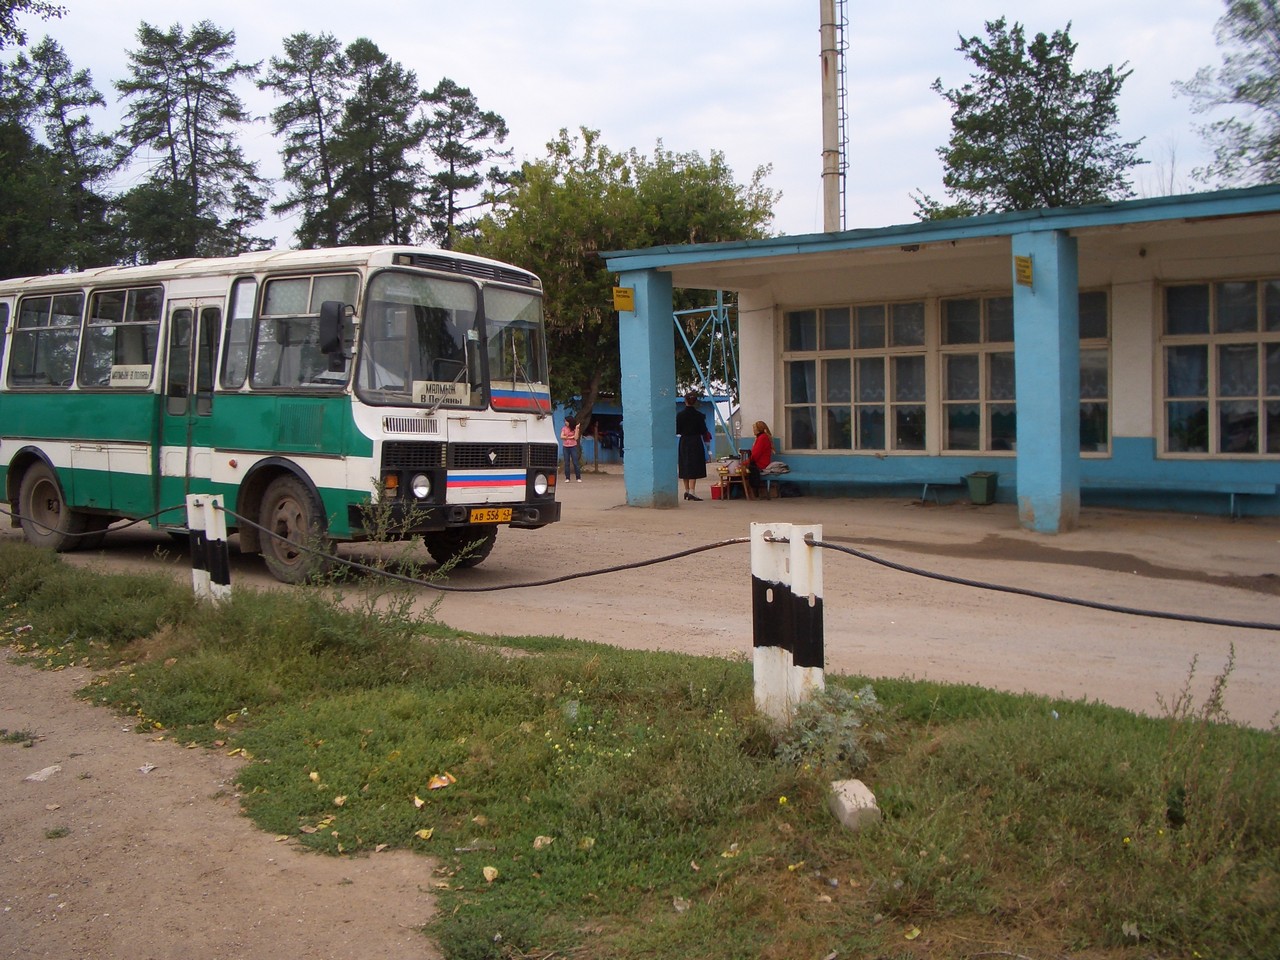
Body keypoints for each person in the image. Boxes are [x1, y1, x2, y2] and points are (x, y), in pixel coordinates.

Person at [675, 391, 709, 500]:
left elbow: (677, 430)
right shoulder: (699, 416)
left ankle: (686, 491)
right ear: (695, 402)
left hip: (684, 441)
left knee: (685, 464)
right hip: (695, 441)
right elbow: (704, 430)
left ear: (685, 401)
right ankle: (692, 491)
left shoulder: (680, 415)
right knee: (694, 464)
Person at [740, 420, 773, 498]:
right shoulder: (763, 437)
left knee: (741, 471)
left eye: (754, 428)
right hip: (761, 462)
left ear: (758, 429)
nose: (753, 430)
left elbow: (755, 455)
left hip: (760, 464)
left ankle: (750, 493)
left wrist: (745, 463)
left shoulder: (762, 438)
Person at [561, 415, 582, 481]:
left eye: (566, 421)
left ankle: (578, 477)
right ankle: (567, 478)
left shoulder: (575, 428)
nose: (565, 423)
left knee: (575, 462)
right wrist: (570, 437)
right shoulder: (564, 428)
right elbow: (561, 436)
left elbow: (576, 437)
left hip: (573, 446)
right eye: (565, 421)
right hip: (565, 446)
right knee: (566, 463)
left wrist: (576, 429)